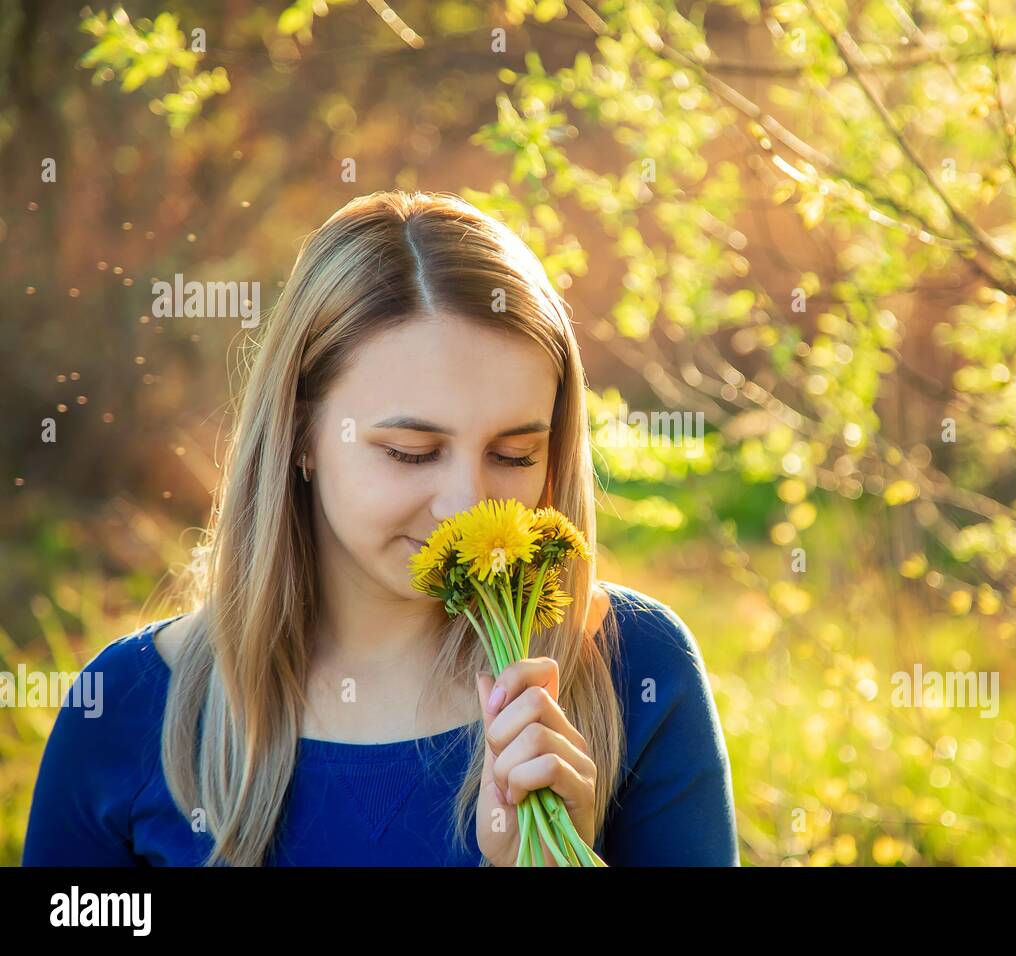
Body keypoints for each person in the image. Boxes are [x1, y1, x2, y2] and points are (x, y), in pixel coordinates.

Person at [22, 190, 740, 867]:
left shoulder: (636, 672)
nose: (467, 505)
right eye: (410, 453)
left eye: (514, 455)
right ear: (301, 433)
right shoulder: (123, 709)